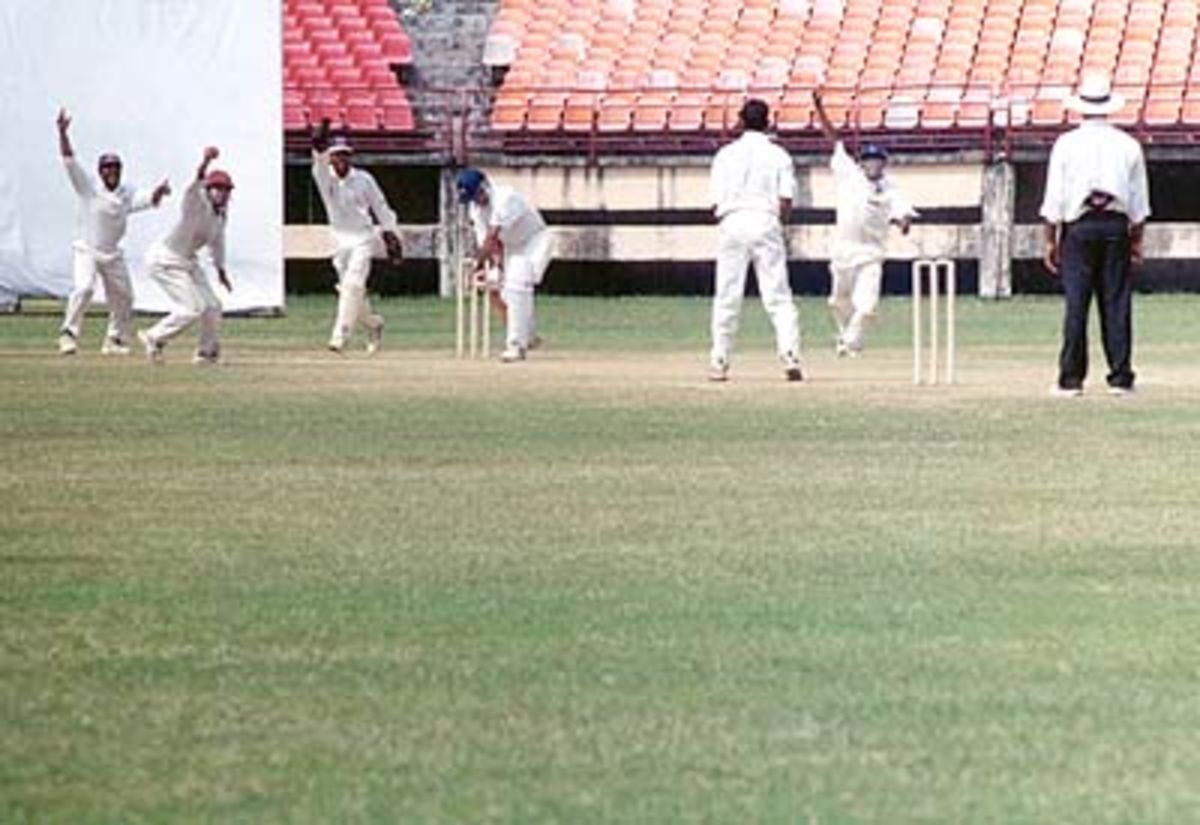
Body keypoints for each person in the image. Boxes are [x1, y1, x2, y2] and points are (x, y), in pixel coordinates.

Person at [1040, 74, 1150, 397]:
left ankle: (1071, 379)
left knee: (1077, 303)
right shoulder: (1128, 145)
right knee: (1116, 303)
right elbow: (1139, 202)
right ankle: (1120, 377)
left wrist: (1049, 239)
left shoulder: (1066, 144)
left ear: (1081, 107)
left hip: (1079, 227)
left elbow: (1054, 199)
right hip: (1115, 226)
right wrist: (1136, 239)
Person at [54, 108, 169, 355]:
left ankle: (114, 339)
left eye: (115, 167)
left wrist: (158, 192)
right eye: (107, 168)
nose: (111, 171)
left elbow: (145, 199)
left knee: (125, 297)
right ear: (100, 171)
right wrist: (62, 132)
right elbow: (69, 160)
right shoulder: (89, 187)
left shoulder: (126, 192)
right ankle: (68, 334)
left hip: (112, 253)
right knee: (84, 288)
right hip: (87, 249)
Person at [813, 91, 918, 358]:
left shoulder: (890, 188)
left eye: (878, 160)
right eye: (869, 160)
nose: (873, 164)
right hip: (843, 250)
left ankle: (848, 341)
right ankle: (849, 339)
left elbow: (902, 212)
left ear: (883, 164)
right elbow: (834, 140)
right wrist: (819, 107)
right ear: (861, 162)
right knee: (838, 302)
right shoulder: (849, 175)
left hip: (871, 253)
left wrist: (903, 223)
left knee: (867, 305)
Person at [707, 98, 802, 382]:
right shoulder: (779, 155)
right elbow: (786, 200)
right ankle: (790, 356)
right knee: (778, 295)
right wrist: (777, 226)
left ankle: (720, 360)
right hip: (765, 220)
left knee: (727, 294)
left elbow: (714, 203)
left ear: (740, 121)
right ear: (768, 122)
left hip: (733, 221)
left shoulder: (725, 155)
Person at [310, 121, 403, 355]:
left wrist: (391, 233)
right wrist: (318, 145)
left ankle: (339, 337)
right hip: (339, 240)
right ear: (331, 158)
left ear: (350, 157)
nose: (341, 160)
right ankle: (374, 324)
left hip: (363, 237)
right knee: (351, 292)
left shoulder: (364, 179)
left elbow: (381, 207)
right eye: (336, 156)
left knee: (353, 285)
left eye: (345, 155)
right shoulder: (325, 178)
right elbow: (319, 163)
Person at [137, 147, 233, 365]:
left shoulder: (220, 217)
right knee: (192, 308)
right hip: (164, 260)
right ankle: (153, 337)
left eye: (226, 189)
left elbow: (218, 244)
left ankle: (205, 354)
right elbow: (196, 183)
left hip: (188, 261)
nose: (222, 193)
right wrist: (205, 162)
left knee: (213, 306)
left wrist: (221, 271)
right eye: (217, 188)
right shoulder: (196, 203)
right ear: (209, 190)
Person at [456, 168, 552, 362]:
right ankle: (528, 335)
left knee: (518, 280)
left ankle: (516, 346)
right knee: (502, 292)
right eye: (472, 199)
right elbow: (487, 242)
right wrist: (491, 267)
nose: (476, 201)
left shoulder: (505, 198)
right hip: (511, 247)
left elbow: (492, 236)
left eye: (477, 195)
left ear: (485, 187)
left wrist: (475, 266)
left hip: (535, 241)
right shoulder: (476, 209)